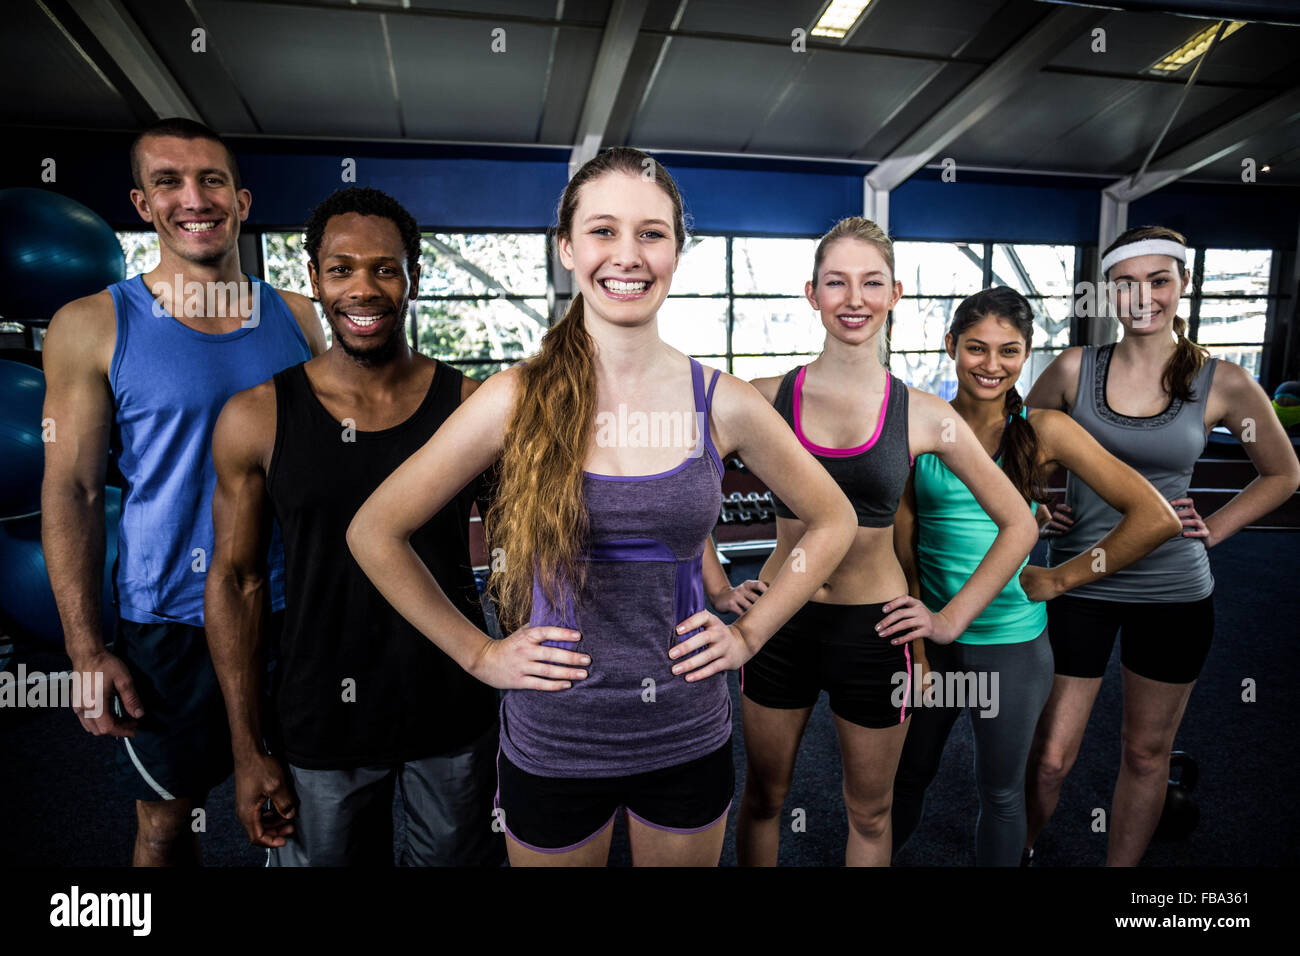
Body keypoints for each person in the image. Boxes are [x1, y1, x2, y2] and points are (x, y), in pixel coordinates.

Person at [348, 147, 861, 867]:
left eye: (652, 233)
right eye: (603, 231)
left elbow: (833, 518)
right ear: (567, 248)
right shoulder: (515, 398)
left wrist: (749, 637)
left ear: (677, 251)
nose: (629, 255)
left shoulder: (723, 400)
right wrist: (480, 653)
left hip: (684, 729)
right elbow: (374, 530)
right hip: (556, 736)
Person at [40, 117, 326, 866]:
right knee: (167, 827)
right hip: (169, 618)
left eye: (211, 181)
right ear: (141, 202)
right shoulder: (91, 325)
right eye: (168, 181)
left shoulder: (298, 317)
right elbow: (70, 490)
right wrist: (83, 649)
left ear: (242, 198)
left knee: (302, 813)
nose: (193, 199)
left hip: (289, 606)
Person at [726, 219, 1040, 867]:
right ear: (812, 293)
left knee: (870, 812)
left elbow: (1020, 524)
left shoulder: (924, 414)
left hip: (876, 635)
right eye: (836, 282)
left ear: (894, 293)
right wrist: (713, 582)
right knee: (763, 797)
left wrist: (948, 619)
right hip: (779, 624)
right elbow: (679, 486)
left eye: (871, 282)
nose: (854, 298)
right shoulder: (761, 399)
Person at [205, 187, 503, 866]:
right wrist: (247, 750)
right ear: (313, 280)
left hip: (451, 706)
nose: (363, 289)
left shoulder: (470, 407)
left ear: (413, 279)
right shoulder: (256, 416)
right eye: (341, 270)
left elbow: (517, 558)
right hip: (318, 715)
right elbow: (236, 583)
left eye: (385, 268)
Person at [1024, 226, 1300, 866]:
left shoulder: (1221, 381)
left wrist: (1216, 527)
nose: (1142, 296)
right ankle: (1024, 850)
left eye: (1159, 280)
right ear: (1108, 291)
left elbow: (1283, 473)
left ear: (1183, 286)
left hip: (1173, 589)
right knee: (1050, 758)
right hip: (1078, 581)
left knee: (1146, 753)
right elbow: (1017, 450)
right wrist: (1039, 508)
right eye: (1126, 282)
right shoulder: (1073, 368)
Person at [889, 286, 1181, 866]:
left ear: (1027, 355)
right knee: (906, 779)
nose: (991, 365)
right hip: (932, 642)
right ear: (951, 346)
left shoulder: (1044, 429)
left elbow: (1156, 516)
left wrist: (1060, 580)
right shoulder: (918, 422)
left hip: (1011, 646)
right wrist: (919, 649)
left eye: (1009, 351)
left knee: (1000, 792)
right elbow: (905, 544)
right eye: (976, 348)